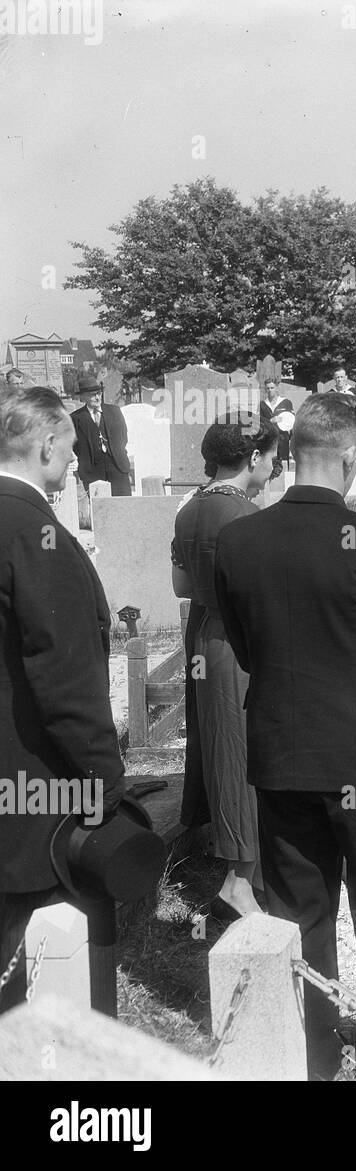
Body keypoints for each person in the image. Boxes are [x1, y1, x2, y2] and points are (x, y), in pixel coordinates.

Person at [213, 393, 356, 1080]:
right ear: (349, 457)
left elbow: (247, 647)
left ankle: (308, 1055)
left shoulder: (237, 539)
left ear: (291, 453)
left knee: (299, 916)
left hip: (284, 756)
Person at [0, 387, 125, 1010]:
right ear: (47, 444)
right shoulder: (33, 533)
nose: (77, 461)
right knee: (35, 959)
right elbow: (64, 678)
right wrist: (103, 781)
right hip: (31, 787)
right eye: (71, 449)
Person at [172, 413, 280, 919]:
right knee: (242, 754)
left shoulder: (189, 508)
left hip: (204, 634)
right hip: (237, 642)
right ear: (253, 457)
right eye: (272, 458)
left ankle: (250, 873)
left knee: (224, 749)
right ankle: (237, 883)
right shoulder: (246, 515)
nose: (274, 468)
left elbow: (180, 586)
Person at [70, 373, 131, 496]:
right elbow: (76, 446)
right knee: (100, 509)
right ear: (83, 397)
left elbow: (123, 437)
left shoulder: (114, 411)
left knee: (124, 507)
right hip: (92, 471)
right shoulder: (75, 418)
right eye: (92, 395)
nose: (97, 398)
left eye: (98, 394)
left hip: (118, 467)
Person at [259, 377, 294, 463]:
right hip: (269, 439)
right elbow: (260, 422)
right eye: (267, 388)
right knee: (270, 464)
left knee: (283, 464)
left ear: (277, 388)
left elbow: (291, 419)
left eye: (272, 388)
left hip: (282, 438)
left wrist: (281, 419)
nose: (270, 390)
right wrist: (270, 421)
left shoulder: (286, 402)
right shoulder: (262, 404)